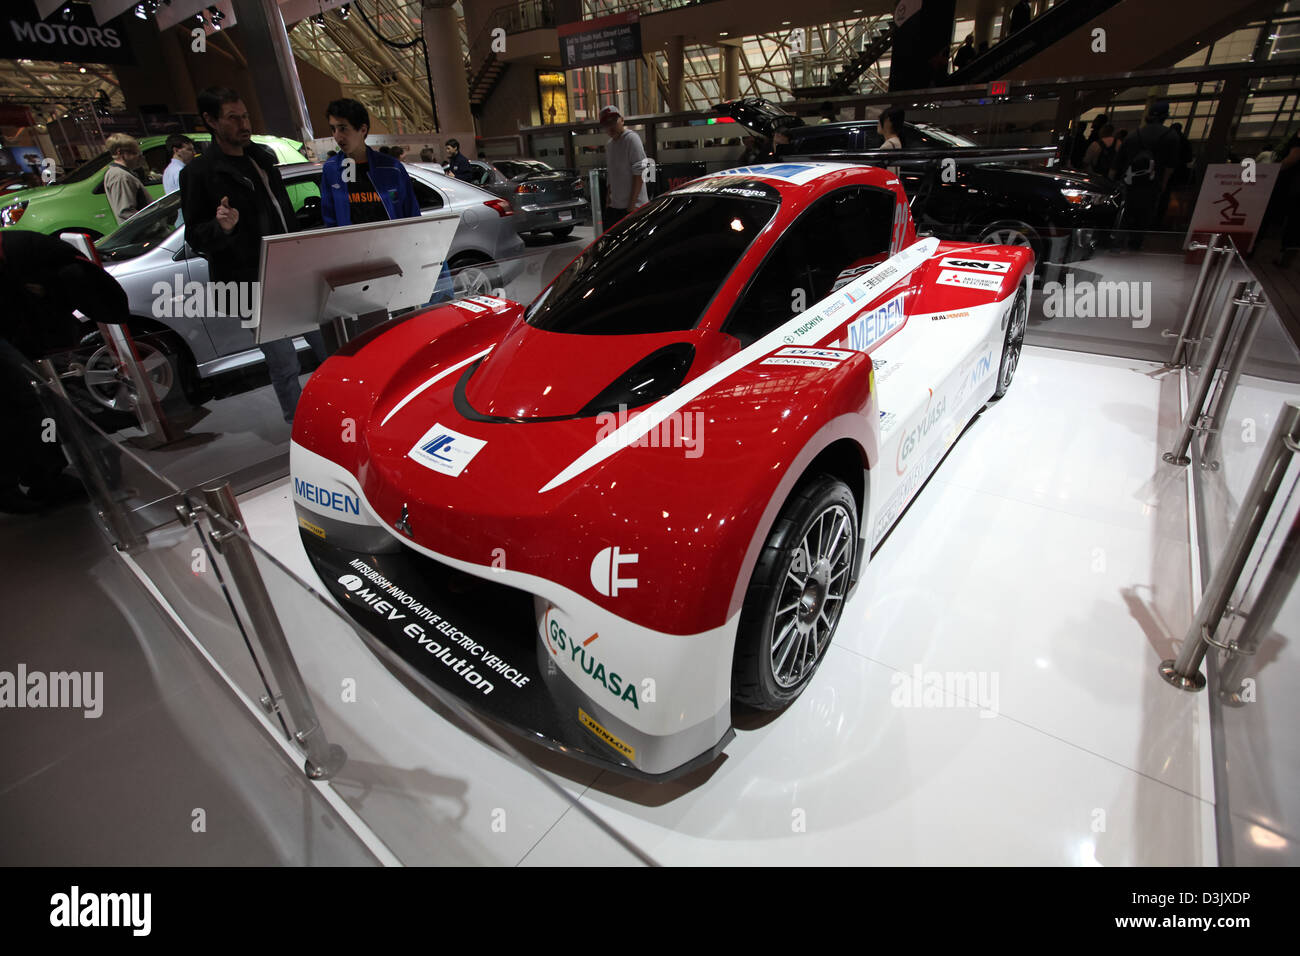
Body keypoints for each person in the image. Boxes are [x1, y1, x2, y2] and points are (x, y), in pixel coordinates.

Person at [180, 86, 313, 422]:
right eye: (233, 118)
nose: (243, 123)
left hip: (296, 272)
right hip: (252, 283)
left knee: (331, 347)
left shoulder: (263, 158)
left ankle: (346, 415)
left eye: (245, 116)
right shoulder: (199, 173)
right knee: (284, 362)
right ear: (210, 121)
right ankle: (300, 428)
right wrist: (222, 227)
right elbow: (195, 235)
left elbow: (285, 215)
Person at [0, 231, 129, 511]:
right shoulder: (35, 257)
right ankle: (38, 479)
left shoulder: (38, 258)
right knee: (27, 402)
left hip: (28, 329)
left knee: (29, 404)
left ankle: (40, 476)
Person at [321, 98, 455, 303]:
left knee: (401, 315)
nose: (337, 136)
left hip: (392, 259)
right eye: (333, 129)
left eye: (343, 128)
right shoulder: (331, 170)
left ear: (362, 129)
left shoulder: (391, 168)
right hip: (355, 265)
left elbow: (411, 215)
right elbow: (331, 221)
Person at [1116, 101, 1180, 247]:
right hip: (1151, 184)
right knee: (1144, 215)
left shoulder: (1133, 135)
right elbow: (1170, 166)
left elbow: (1117, 162)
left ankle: (1118, 242)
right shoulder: (1171, 137)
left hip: (1129, 182)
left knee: (1125, 213)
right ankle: (1135, 243)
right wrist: (1163, 184)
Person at [598, 104, 650, 229]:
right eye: (606, 124)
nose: (611, 127)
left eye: (613, 121)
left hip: (634, 207)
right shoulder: (610, 145)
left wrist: (631, 206)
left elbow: (639, 173)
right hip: (615, 207)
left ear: (622, 120)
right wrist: (608, 200)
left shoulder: (631, 139)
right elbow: (612, 174)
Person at [103, 133, 152, 225]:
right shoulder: (120, 176)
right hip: (145, 235)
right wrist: (155, 222)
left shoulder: (121, 174)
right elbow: (126, 212)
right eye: (134, 153)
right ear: (120, 153)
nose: (138, 157)